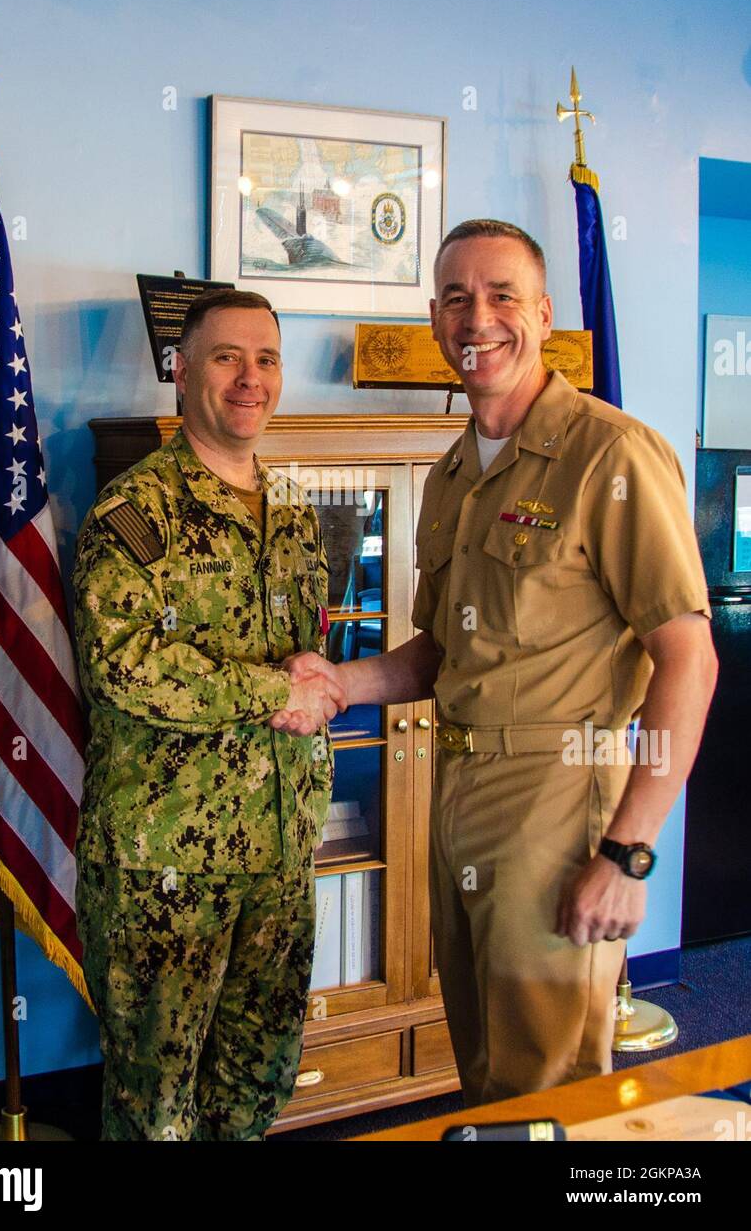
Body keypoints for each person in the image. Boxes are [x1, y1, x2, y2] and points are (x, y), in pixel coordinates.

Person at [277, 219, 718, 1104]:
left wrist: (629, 853)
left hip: (560, 797)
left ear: (544, 314)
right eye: (455, 297)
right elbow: (442, 654)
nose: (478, 316)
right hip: (456, 791)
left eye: (502, 295)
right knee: (486, 1066)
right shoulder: (451, 475)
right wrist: (343, 684)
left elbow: (689, 658)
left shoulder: (611, 455)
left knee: (549, 1084)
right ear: (435, 319)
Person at [72, 289, 342, 1140]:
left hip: (281, 854)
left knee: (257, 1089)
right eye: (227, 357)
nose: (249, 378)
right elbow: (125, 665)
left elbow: (311, 662)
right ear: (181, 372)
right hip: (166, 868)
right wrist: (274, 691)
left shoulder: (298, 514)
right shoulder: (133, 513)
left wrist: (312, 686)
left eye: (265, 359)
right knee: (155, 1111)